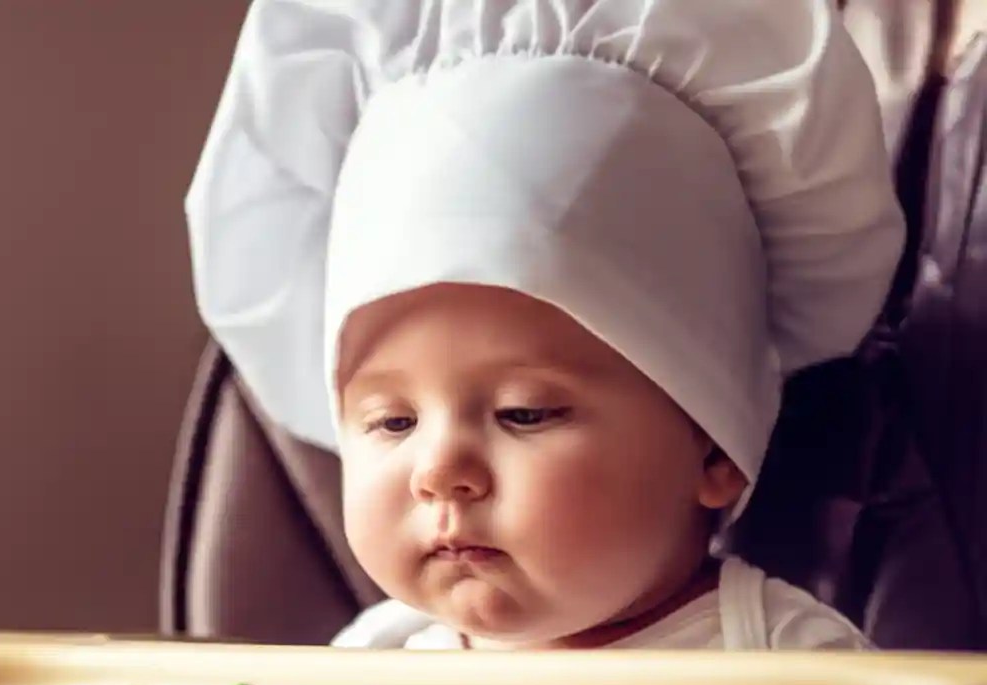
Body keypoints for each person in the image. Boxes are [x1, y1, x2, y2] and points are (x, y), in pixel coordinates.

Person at [185, 0, 904, 650]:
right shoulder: (376, 666)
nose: (439, 473)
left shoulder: (788, 666)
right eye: (393, 423)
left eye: (523, 412)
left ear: (717, 446)